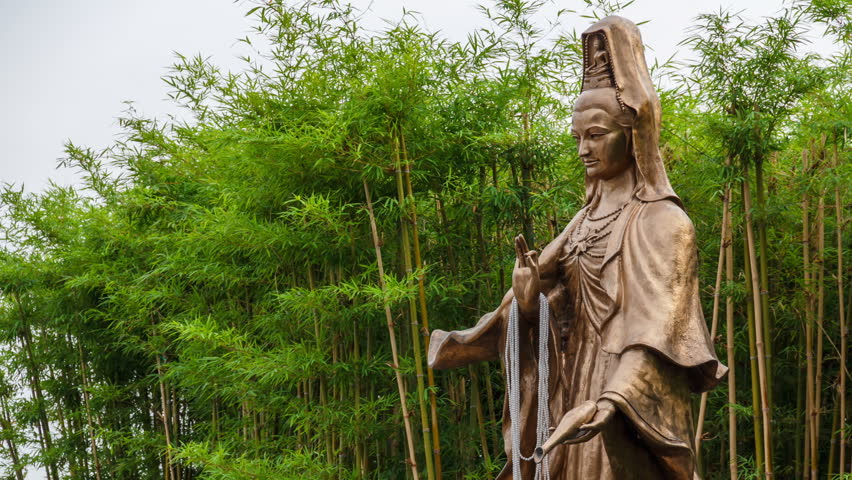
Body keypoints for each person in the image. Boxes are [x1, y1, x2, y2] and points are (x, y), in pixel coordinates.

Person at [428, 16, 726, 480]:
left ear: (633, 134)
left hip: (622, 396)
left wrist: (610, 402)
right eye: (578, 138)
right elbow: (554, 314)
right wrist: (528, 299)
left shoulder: (664, 222)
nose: (584, 149)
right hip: (569, 386)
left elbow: (659, 333)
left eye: (596, 135)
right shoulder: (582, 221)